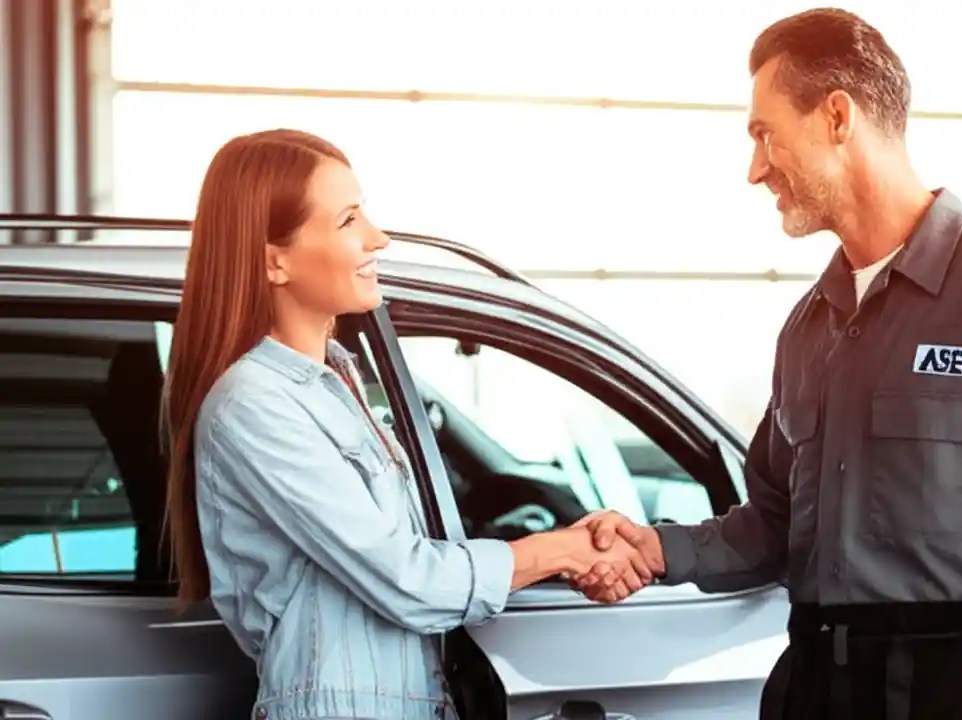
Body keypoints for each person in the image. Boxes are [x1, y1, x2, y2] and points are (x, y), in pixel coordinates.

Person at [572, 8, 962, 720]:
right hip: (816, 687)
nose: (755, 169)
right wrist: (655, 549)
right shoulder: (810, 327)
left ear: (837, 117)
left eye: (765, 134)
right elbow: (775, 527)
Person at [160, 129, 648, 720]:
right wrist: (559, 551)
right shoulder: (255, 404)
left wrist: (565, 554)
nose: (377, 237)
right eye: (347, 221)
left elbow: (407, 554)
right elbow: (408, 580)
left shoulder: (336, 382)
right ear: (275, 259)